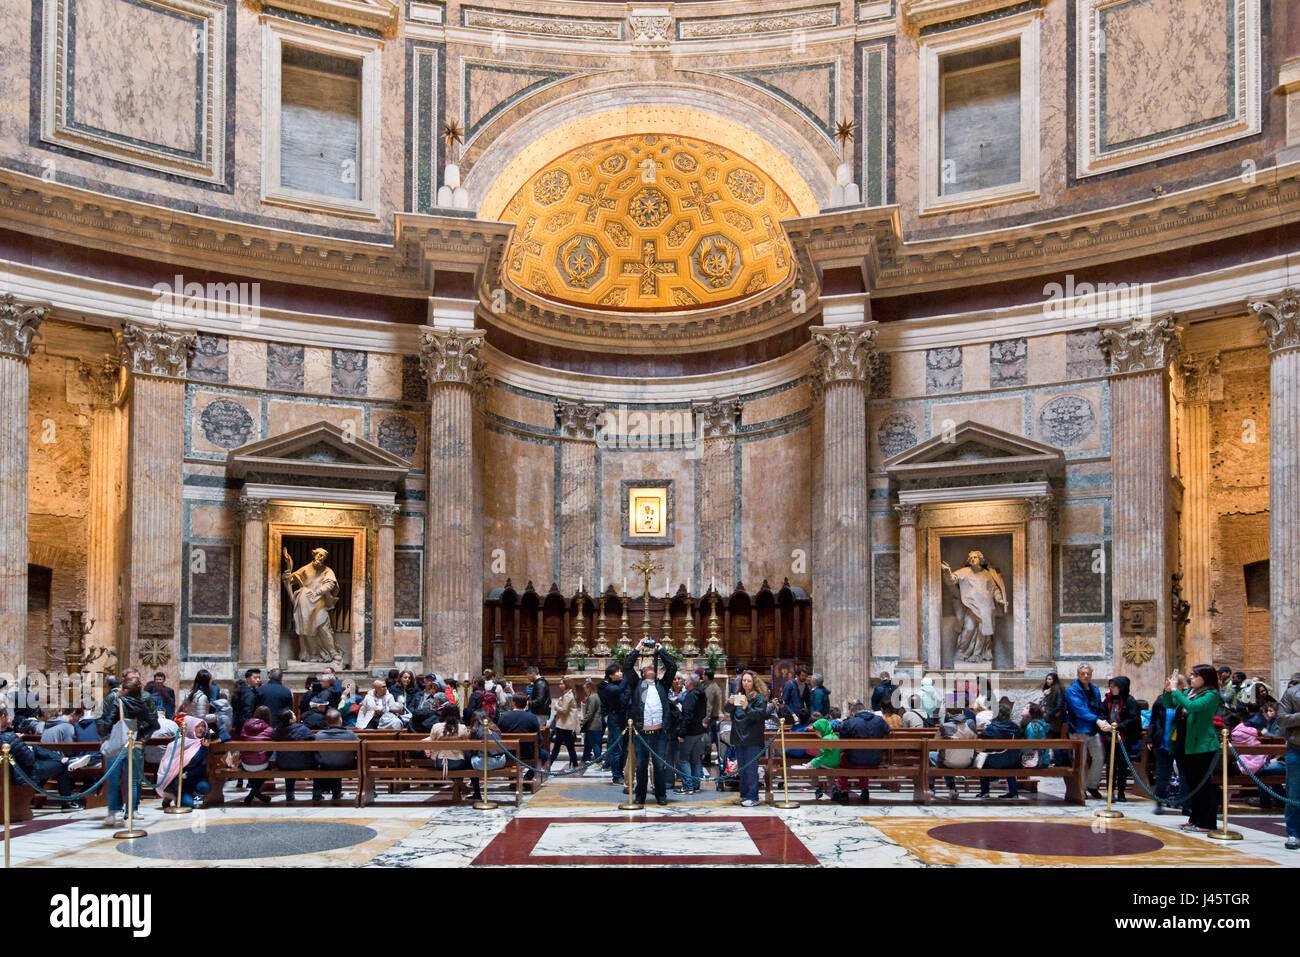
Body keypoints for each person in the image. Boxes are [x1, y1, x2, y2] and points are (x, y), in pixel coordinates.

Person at [1163, 665, 1223, 833]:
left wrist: (1175, 691)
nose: (1191, 678)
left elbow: (1192, 707)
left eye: (1195, 675)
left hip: (1201, 744)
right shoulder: (1190, 692)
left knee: (1202, 784)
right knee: (1192, 783)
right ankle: (1195, 818)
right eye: (1191, 675)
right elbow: (1170, 703)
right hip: (1185, 743)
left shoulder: (1211, 694)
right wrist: (1168, 691)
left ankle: (1207, 822)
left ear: (1205, 677)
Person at [622, 639, 678, 805]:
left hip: (660, 733)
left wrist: (661, 652)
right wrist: (637, 650)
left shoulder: (663, 685)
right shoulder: (636, 684)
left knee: (660, 766)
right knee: (640, 766)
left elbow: (672, 668)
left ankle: (661, 795)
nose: (651, 670)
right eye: (647, 668)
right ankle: (640, 796)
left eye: (653, 668)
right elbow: (626, 667)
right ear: (642, 672)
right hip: (642, 733)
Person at [0, 707, 85, 812]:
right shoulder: (9, 737)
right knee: (61, 766)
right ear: (3, 717)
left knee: (35, 748)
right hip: (21, 773)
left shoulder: (8, 736)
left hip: (11, 771)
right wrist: (27, 748)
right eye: (7, 715)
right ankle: (67, 802)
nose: (9, 718)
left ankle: (63, 759)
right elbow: (29, 760)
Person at [103, 676, 160, 824]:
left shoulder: (118, 703)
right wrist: (140, 735)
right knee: (133, 782)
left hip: (118, 746)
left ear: (127, 691)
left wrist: (107, 733)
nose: (119, 690)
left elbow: (107, 723)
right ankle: (130, 813)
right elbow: (154, 724)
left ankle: (113, 813)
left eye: (121, 688)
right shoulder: (141, 705)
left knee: (114, 780)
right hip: (135, 746)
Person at [1064, 664, 1112, 798]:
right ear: (1078, 674)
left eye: (1088, 674)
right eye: (1083, 673)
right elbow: (1080, 710)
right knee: (1081, 759)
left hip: (1092, 729)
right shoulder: (1072, 690)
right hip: (1078, 729)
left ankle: (1092, 785)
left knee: (1099, 757)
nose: (1086, 676)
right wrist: (1097, 720)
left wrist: (1102, 721)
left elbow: (1097, 708)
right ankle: (1081, 788)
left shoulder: (1095, 690)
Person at [726, 669, 770, 807]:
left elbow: (759, 715)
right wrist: (730, 703)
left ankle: (753, 796)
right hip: (739, 737)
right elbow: (729, 711)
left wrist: (746, 707)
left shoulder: (759, 698)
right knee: (742, 769)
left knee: (751, 769)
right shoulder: (739, 695)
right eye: (744, 680)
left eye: (748, 681)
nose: (745, 683)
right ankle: (744, 795)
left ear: (754, 682)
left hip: (752, 738)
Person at [833, 700, 889, 804]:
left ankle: (844, 791)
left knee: (844, 758)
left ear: (853, 713)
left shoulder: (850, 722)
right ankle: (865, 790)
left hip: (853, 762)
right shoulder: (879, 720)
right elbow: (887, 731)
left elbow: (842, 742)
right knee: (864, 754)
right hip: (875, 761)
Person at [157, 714, 216, 809]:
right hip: (180, 782)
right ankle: (172, 797)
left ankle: (192, 795)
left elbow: (225, 736)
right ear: (191, 728)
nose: (201, 729)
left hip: (196, 780)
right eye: (198, 726)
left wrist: (214, 735)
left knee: (204, 787)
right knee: (187, 805)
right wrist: (203, 748)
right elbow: (192, 763)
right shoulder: (181, 743)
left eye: (203, 726)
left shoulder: (203, 741)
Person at [1147, 675, 1185, 815]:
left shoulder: (1184, 700)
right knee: (1162, 774)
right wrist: (1150, 738)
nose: (1167, 685)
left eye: (1170, 683)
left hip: (1180, 743)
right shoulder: (1161, 700)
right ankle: (1159, 802)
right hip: (1162, 742)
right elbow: (1153, 721)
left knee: (1184, 773)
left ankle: (1184, 803)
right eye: (1166, 682)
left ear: (1180, 686)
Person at [1103, 676, 1141, 801]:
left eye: (1114, 686)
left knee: (1122, 766)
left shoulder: (1130, 701)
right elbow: (1102, 712)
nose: (1111, 688)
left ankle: (1121, 792)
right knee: (1110, 765)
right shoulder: (1108, 699)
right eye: (1111, 686)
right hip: (1109, 738)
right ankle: (1110, 792)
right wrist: (1104, 723)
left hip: (1124, 738)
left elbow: (1133, 719)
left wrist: (1118, 726)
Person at [1273, 672, 1300, 849]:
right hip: (1297, 749)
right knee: (1294, 793)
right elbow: (1281, 719)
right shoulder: (1292, 693)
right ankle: (1294, 833)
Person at [977, 699, 1022, 799]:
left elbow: (983, 738)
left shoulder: (992, 728)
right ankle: (1013, 792)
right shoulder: (1015, 728)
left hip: (995, 761)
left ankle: (985, 792)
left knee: (984, 763)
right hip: (1013, 761)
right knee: (1009, 763)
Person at [270, 707, 316, 803]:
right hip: (304, 764)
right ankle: (317, 793)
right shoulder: (302, 729)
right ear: (291, 720)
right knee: (318, 764)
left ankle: (289, 793)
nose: (295, 715)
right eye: (293, 715)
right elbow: (313, 738)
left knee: (289, 758)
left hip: (283, 764)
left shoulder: (277, 731)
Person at [498, 693, 548, 780]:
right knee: (544, 755)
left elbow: (498, 737)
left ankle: (512, 776)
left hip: (509, 754)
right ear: (526, 704)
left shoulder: (504, 717)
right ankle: (528, 777)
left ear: (513, 703)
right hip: (528, 753)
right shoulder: (531, 717)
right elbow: (539, 740)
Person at [313, 709, 358, 802]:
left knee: (330, 759)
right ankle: (371, 790)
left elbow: (315, 752)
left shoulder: (319, 736)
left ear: (327, 722)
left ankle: (325, 792)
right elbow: (359, 751)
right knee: (364, 762)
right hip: (348, 765)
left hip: (327, 765)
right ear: (340, 720)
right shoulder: (350, 735)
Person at [675, 672, 709, 793]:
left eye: (686, 680)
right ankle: (695, 785)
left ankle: (687, 786)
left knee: (683, 759)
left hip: (689, 732)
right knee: (695, 759)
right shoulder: (701, 694)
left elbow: (687, 716)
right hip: (699, 730)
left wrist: (682, 733)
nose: (684, 682)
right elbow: (704, 713)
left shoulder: (690, 696)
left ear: (690, 683)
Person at [238, 705, 274, 805]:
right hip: (261, 764)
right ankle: (253, 794)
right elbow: (270, 750)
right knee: (268, 767)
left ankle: (256, 794)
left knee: (251, 759)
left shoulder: (245, 726)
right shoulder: (270, 729)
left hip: (246, 764)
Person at [598, 662, 628, 783]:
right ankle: (616, 775)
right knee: (616, 749)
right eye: (617, 672)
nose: (620, 673)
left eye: (621, 671)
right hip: (615, 720)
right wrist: (627, 672)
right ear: (610, 675)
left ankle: (622, 772)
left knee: (624, 749)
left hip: (625, 719)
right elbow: (619, 690)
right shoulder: (605, 686)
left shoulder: (619, 684)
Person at [548, 677, 581, 770]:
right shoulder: (567, 694)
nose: (560, 685)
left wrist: (556, 706)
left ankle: (574, 765)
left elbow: (564, 710)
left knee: (567, 747)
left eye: (562, 684)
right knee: (560, 746)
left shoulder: (567, 695)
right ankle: (549, 764)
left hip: (565, 725)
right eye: (560, 684)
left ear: (567, 684)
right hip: (563, 724)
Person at [580, 678, 603, 772]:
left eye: (585, 688)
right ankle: (592, 759)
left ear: (589, 688)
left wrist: (582, 722)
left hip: (594, 724)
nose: (584, 691)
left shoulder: (592, 697)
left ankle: (598, 762)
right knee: (592, 743)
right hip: (594, 723)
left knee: (595, 744)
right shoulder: (595, 696)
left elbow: (590, 712)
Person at [1020, 702, 1050, 769]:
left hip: (1038, 761)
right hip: (1042, 759)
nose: (1023, 708)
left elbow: (1029, 746)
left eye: (1027, 708)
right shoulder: (1035, 724)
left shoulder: (1032, 726)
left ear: (1031, 713)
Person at [231, 668, 262, 735]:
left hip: (239, 724)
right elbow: (247, 712)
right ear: (248, 679)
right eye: (255, 678)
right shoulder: (249, 694)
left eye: (259, 678)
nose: (258, 680)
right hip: (246, 727)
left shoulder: (242, 690)